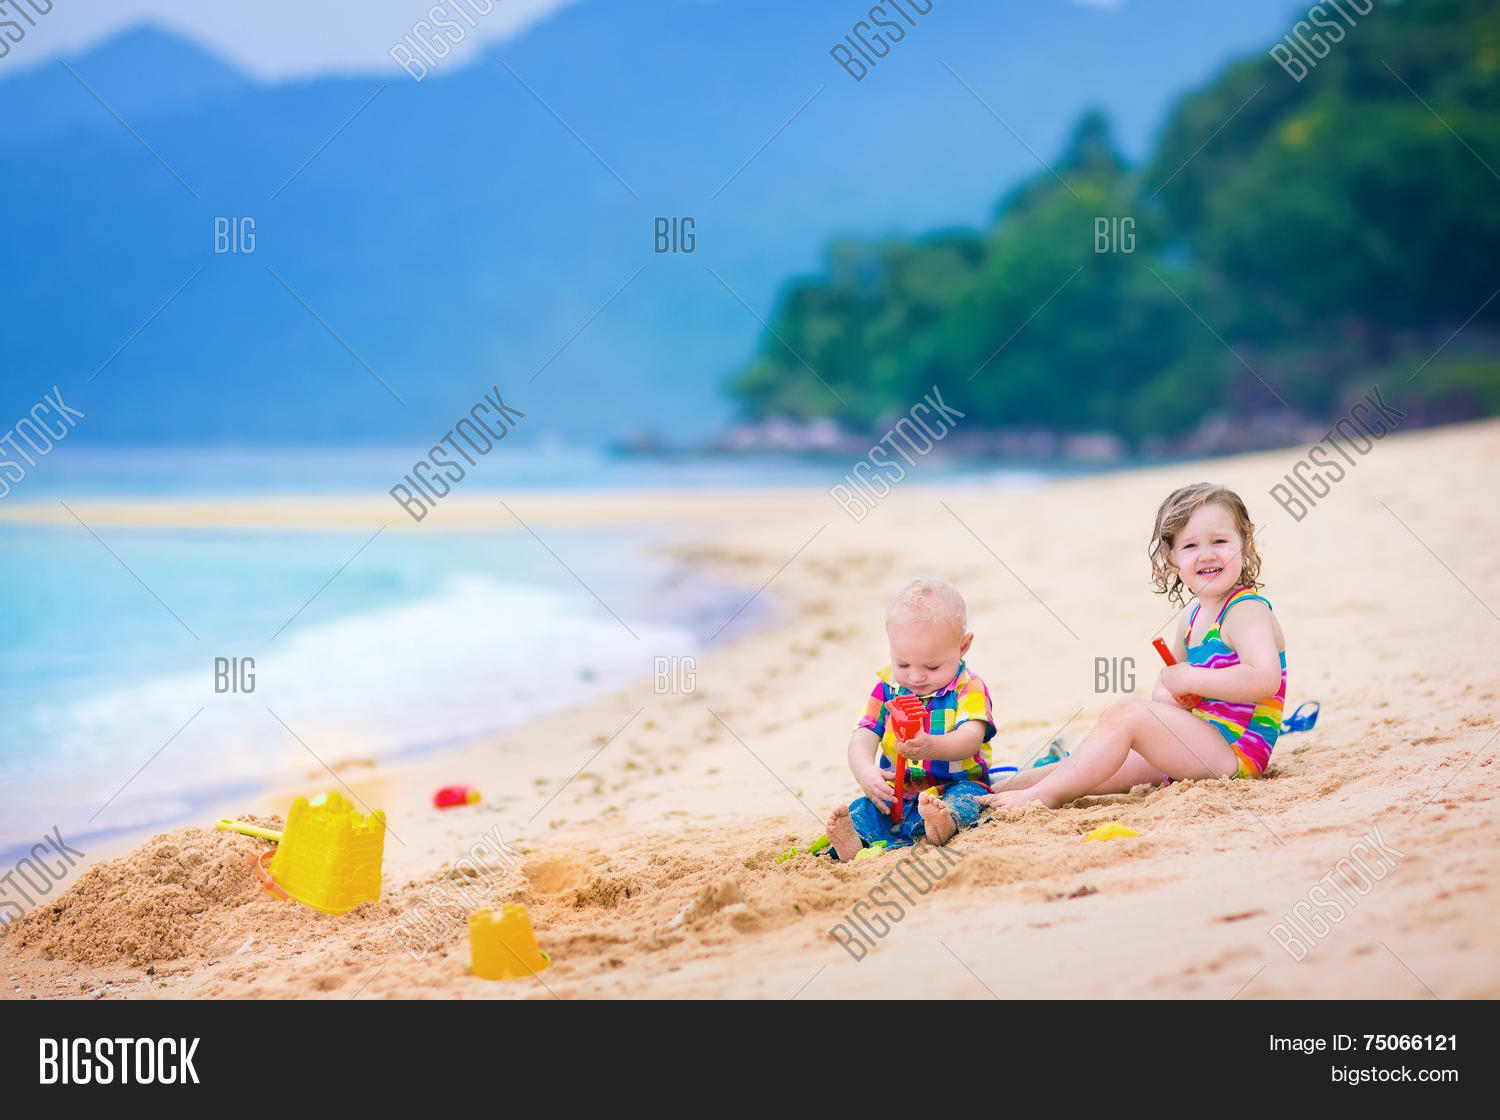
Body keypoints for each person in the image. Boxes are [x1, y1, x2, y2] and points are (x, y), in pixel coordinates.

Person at [983, 483, 1286, 812]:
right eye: (1190, 545)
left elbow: (1264, 678)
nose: (1207, 554)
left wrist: (1190, 679)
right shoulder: (1191, 617)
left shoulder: (1245, 611)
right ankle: (984, 794)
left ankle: (1044, 796)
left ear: (1246, 543)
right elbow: (1166, 690)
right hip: (1199, 744)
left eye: (1220, 541)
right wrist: (1174, 692)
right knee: (1089, 764)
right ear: (1172, 557)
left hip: (1235, 754)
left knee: (1128, 712)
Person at [825, 577, 995, 860]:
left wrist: (931, 747)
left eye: (932, 666)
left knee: (966, 802)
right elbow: (863, 734)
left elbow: (971, 738)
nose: (915, 677)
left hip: (954, 784)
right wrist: (865, 771)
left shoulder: (968, 688)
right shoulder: (887, 690)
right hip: (899, 790)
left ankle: (943, 824)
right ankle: (853, 841)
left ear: (963, 646)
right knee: (865, 809)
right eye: (902, 663)